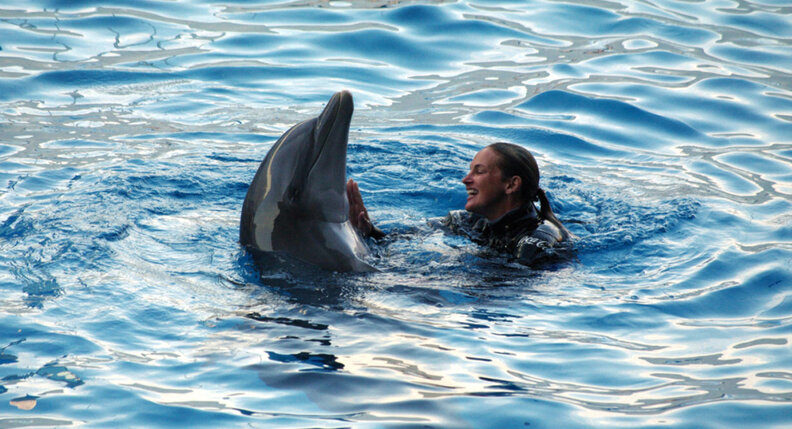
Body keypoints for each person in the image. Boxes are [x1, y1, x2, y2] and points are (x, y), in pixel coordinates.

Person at [346, 142, 571, 265]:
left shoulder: (536, 241)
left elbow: (507, 288)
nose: (465, 179)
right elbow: (406, 238)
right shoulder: (467, 221)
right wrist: (369, 231)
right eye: (470, 170)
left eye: (479, 171)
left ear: (511, 185)